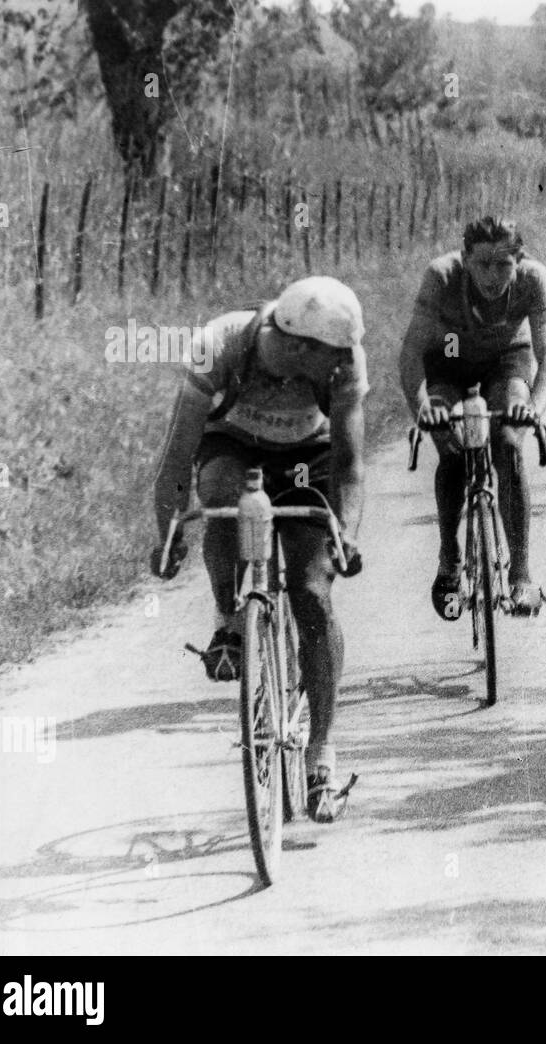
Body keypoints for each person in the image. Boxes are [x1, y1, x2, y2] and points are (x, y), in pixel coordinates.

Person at [151, 276, 367, 823]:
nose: (343, 366)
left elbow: (349, 465)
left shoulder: (342, 365)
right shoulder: (219, 343)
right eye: (334, 358)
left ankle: (321, 754)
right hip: (234, 446)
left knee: (313, 594)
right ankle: (229, 620)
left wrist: (346, 532)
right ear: (299, 346)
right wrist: (168, 533)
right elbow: (177, 460)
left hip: (306, 458)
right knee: (222, 498)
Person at [399, 217, 546, 619]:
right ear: (465, 259)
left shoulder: (533, 278)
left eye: (503, 264)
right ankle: (449, 556)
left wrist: (533, 410)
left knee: (508, 445)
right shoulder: (441, 276)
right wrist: (424, 407)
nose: (492, 275)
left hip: (506, 359)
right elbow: (411, 354)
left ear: (519, 260)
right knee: (452, 453)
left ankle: (520, 575)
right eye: (482, 264)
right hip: (449, 356)